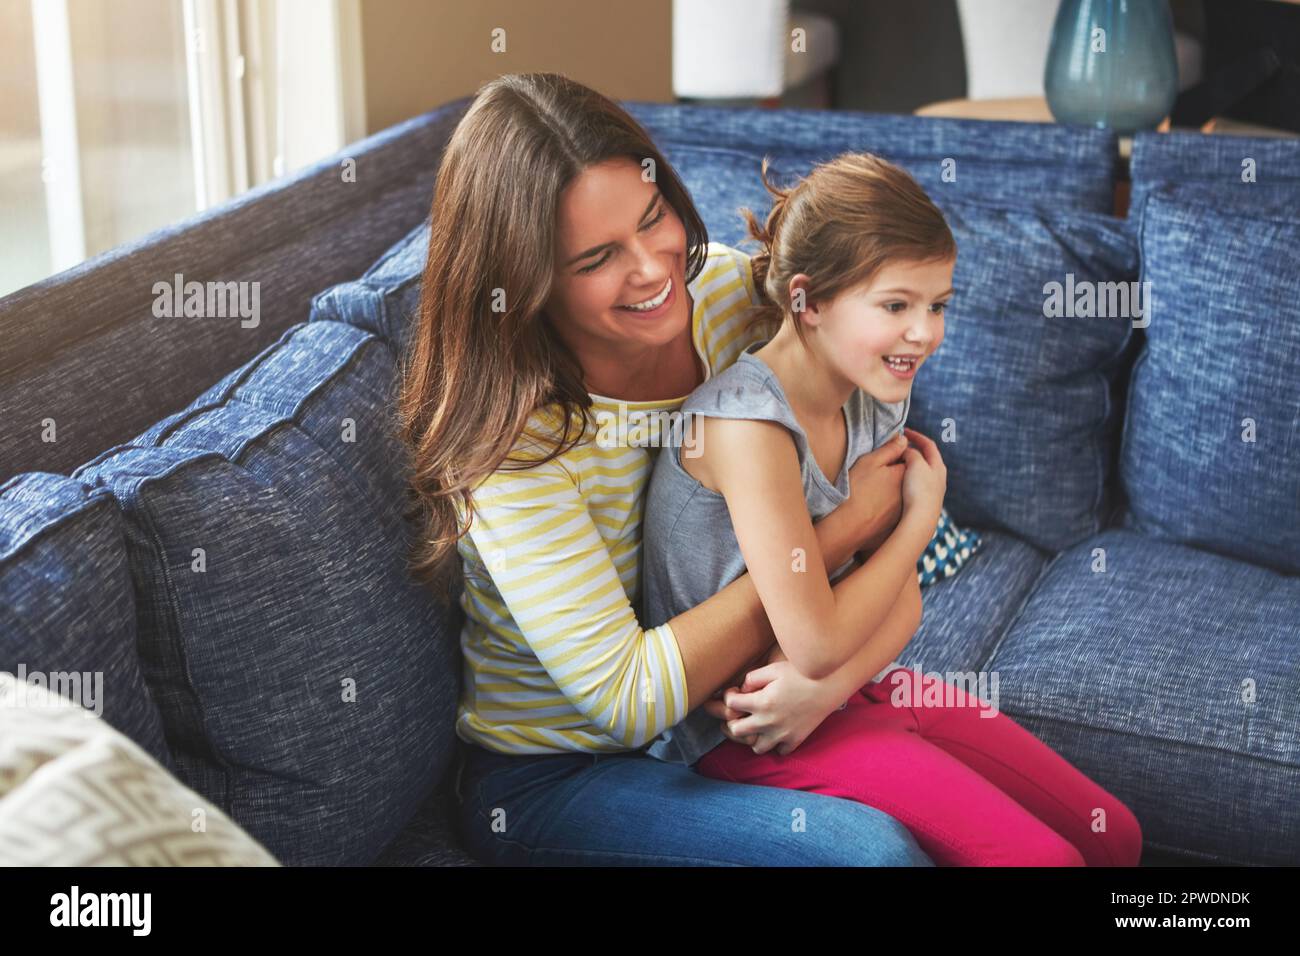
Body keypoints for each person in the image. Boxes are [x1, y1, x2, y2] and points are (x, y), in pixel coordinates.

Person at [396, 72, 931, 866]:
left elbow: (871, 459)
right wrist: (842, 532)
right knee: (872, 856)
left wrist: (824, 679)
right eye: (598, 258)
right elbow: (630, 698)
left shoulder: (728, 299)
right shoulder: (511, 451)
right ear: (527, 284)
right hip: (559, 777)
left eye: (653, 219)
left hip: (732, 712)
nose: (653, 270)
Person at [639, 152, 1144, 867]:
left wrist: (829, 689)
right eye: (897, 305)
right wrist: (917, 521)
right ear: (809, 302)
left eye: (938, 305)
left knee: (1112, 834)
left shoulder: (872, 396)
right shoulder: (749, 427)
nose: (926, 332)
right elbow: (814, 641)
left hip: (841, 692)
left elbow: (901, 603)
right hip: (745, 737)